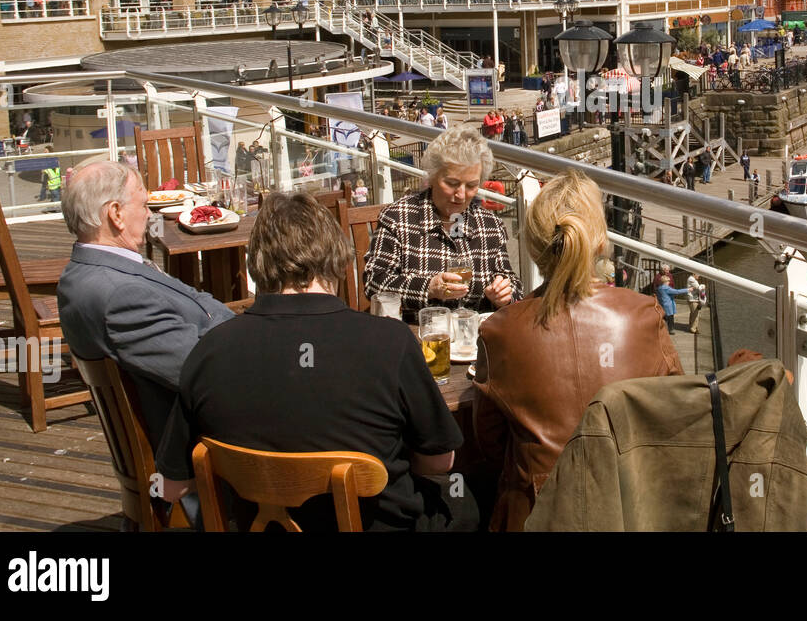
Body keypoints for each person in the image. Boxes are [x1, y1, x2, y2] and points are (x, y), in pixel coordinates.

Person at [156, 191, 477, 532]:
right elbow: (439, 461)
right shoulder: (391, 342)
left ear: (258, 264)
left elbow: (173, 486)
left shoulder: (210, 350)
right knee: (466, 498)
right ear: (337, 260)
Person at [472, 170, 682, 530]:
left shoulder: (499, 330)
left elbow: (489, 443)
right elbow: (676, 414)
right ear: (600, 242)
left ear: (534, 247)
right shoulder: (643, 314)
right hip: (632, 510)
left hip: (538, 514)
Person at [56, 162, 234, 487]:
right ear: (116, 214)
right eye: (143, 203)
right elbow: (207, 372)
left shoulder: (85, 274)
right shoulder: (120, 295)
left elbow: (194, 299)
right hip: (201, 457)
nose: (150, 213)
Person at [363, 127, 520, 324]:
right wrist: (429, 288)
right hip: (419, 339)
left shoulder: (489, 224)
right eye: (452, 183)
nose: (461, 195)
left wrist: (504, 294)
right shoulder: (399, 218)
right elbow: (374, 283)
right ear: (432, 177)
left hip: (472, 343)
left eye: (471, 186)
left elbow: (513, 284)